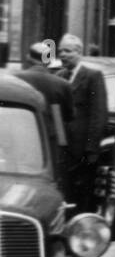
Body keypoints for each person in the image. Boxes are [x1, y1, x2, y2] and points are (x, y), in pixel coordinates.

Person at [56, 34, 108, 213]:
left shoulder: (92, 76)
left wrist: (92, 149)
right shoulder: (60, 76)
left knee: (83, 198)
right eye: (60, 51)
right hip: (64, 150)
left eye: (67, 51)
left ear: (78, 52)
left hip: (83, 151)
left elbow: (98, 114)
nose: (62, 54)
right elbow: (57, 113)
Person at [14, 42, 73, 191]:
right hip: (52, 139)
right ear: (48, 60)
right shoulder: (62, 84)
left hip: (21, 136)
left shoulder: (16, 79)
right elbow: (69, 116)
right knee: (51, 180)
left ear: (28, 58)